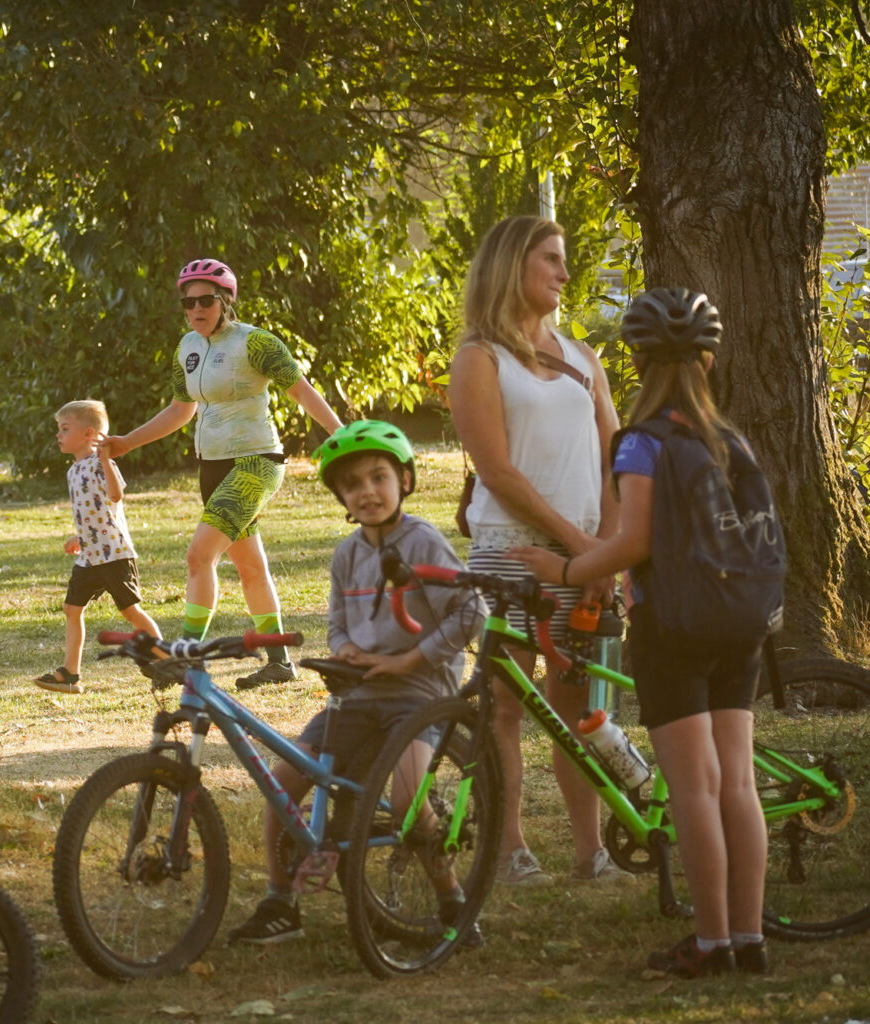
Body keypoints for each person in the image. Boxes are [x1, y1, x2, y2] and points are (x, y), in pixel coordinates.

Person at [509, 289, 771, 977]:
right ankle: (749, 939)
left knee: (694, 787)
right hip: (739, 624)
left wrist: (562, 565)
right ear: (707, 359)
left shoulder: (642, 442)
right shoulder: (733, 440)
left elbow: (632, 543)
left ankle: (711, 943)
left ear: (637, 359)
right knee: (736, 783)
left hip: (673, 626)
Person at [227, 421, 485, 943]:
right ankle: (281, 902)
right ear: (340, 495)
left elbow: (472, 611)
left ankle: (454, 901)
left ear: (404, 481)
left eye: (379, 477)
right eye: (352, 484)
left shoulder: (424, 542)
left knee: (413, 804)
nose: (367, 491)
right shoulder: (347, 553)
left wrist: (413, 659)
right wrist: (342, 645)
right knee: (280, 789)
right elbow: (338, 620)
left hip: (418, 695)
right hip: (356, 694)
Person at [447, 215, 630, 885]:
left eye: (564, 258)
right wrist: (583, 546)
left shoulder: (584, 359)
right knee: (502, 705)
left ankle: (592, 853)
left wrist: (604, 552)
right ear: (511, 267)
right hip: (510, 553)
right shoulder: (478, 358)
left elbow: (617, 459)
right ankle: (508, 849)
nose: (564, 271)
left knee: (578, 706)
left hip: (586, 556)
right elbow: (497, 473)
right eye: (551, 258)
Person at [103, 259, 342, 689]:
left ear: (226, 300)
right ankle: (279, 661)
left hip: (255, 462)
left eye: (205, 300)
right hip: (211, 466)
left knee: (200, 555)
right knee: (250, 566)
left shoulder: (257, 343)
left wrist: (344, 436)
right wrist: (127, 442)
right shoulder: (187, 347)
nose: (196, 308)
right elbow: (181, 410)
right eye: (188, 302)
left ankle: (188, 656)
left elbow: (301, 390)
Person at [35, 400, 160, 694]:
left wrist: (105, 460)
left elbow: (116, 496)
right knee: (71, 608)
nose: (59, 434)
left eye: (65, 429)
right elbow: (93, 510)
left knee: (131, 612)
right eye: (59, 429)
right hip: (90, 556)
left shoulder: (100, 464)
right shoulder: (73, 471)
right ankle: (70, 673)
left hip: (114, 553)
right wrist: (80, 537)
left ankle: (164, 657)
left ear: (88, 433)